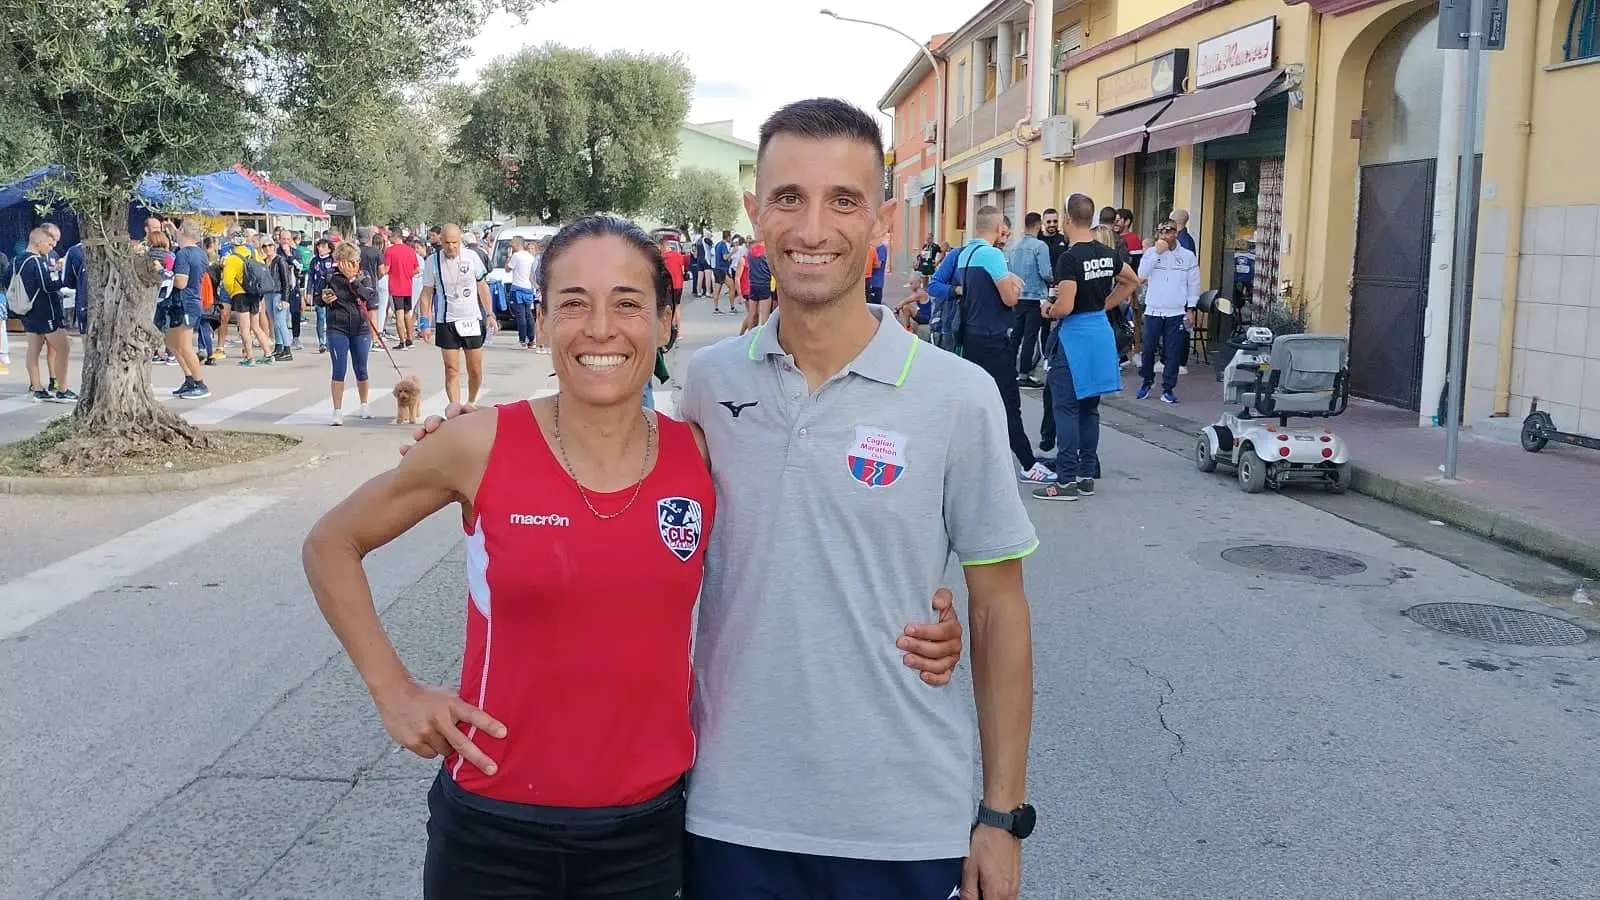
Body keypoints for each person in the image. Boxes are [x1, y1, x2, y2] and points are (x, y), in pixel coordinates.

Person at [321, 215, 964, 899]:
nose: (600, 328)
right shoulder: (477, 444)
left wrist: (919, 625)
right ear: (540, 322)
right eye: (573, 303)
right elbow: (332, 542)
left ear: (665, 322)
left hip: (647, 837)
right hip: (492, 827)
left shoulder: (703, 450)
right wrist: (394, 691)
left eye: (627, 303)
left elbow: (798, 561)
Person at [1034, 193, 1139, 501]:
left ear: (1068, 220)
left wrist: (1048, 310)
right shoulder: (1107, 253)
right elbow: (1132, 281)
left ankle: (1064, 481)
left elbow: (1065, 306)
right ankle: (1085, 475)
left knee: (1065, 407)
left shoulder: (1069, 258)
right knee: (1089, 410)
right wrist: (1106, 305)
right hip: (1099, 332)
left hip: (1076, 335)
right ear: (1091, 219)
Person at [417, 224, 498, 405]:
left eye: (454, 242)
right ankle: (455, 407)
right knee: (452, 369)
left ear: (460, 241)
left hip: (471, 319)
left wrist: (490, 314)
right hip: (446, 320)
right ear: (441, 241)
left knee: (475, 369)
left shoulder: (471, 257)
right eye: (446, 242)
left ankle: (471, 402)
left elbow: (482, 286)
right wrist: (424, 323)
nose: (451, 247)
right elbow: (427, 294)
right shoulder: (433, 261)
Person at [1135, 219, 1201, 403]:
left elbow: (1193, 283)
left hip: (1176, 311)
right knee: (1148, 350)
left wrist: (1191, 308)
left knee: (1172, 352)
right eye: (1161, 232)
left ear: (1175, 233)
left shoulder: (1187, 256)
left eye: (1169, 231)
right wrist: (1156, 252)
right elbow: (1141, 275)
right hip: (1154, 310)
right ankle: (1147, 381)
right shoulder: (1151, 253)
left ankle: (1168, 388)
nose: (1165, 235)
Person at [317, 242, 379, 425]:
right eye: (351, 262)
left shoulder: (363, 275)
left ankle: (364, 403)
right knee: (339, 369)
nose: (355, 265)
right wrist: (323, 298)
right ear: (341, 261)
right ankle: (337, 410)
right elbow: (317, 299)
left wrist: (352, 279)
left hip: (360, 327)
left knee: (361, 367)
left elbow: (369, 296)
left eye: (357, 261)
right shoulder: (330, 276)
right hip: (338, 326)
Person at [16, 226, 77, 402]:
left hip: (26, 310)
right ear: (39, 242)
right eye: (50, 244)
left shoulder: (16, 260)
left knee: (33, 349)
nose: (52, 248)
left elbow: (6, 278)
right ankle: (62, 389)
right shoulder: (37, 261)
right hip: (45, 310)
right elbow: (47, 285)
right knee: (63, 347)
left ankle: (37, 388)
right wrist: (61, 281)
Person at [506, 236, 537, 348]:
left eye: (512, 242)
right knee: (528, 314)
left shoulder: (516, 256)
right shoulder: (530, 257)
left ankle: (522, 339)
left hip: (517, 287)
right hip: (528, 288)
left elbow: (507, 269)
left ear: (517, 243)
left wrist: (509, 256)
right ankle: (532, 339)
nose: (510, 244)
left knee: (520, 315)